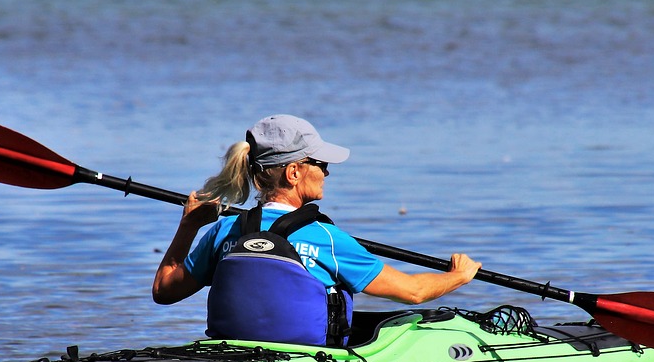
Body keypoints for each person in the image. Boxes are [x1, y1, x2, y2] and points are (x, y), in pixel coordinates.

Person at [153, 114, 481, 346]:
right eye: (321, 165)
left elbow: (165, 290)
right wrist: (459, 276)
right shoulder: (326, 239)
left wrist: (189, 225)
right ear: (294, 172)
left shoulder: (223, 231)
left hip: (233, 357)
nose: (326, 173)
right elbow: (412, 292)